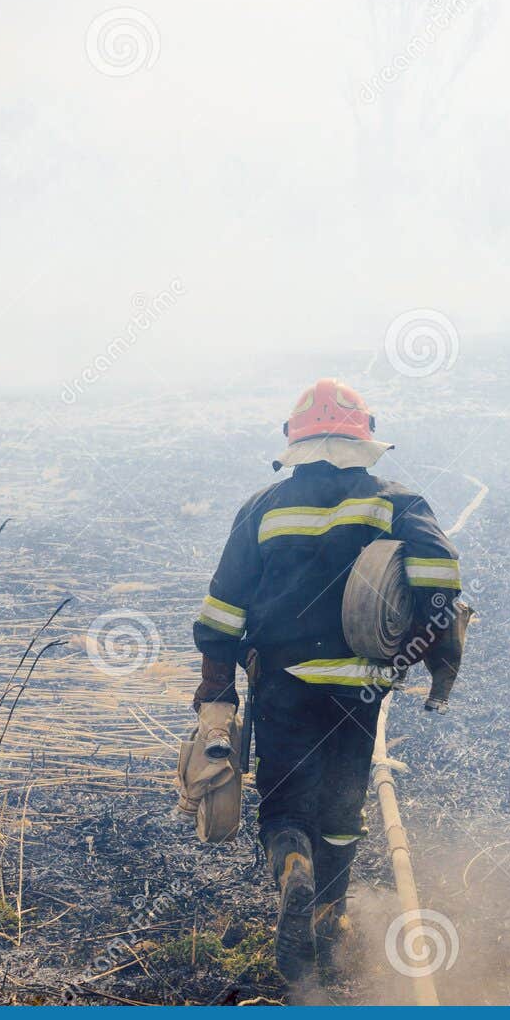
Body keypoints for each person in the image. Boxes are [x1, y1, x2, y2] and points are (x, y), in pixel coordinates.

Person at [191, 378, 462, 982]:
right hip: (360, 685)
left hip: (282, 681)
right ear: (364, 442)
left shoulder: (264, 508)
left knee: (285, 799)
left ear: (297, 445)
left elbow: (223, 606)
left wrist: (215, 684)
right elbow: (440, 578)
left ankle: (292, 869)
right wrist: (428, 651)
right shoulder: (395, 501)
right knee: (343, 802)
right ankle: (330, 914)